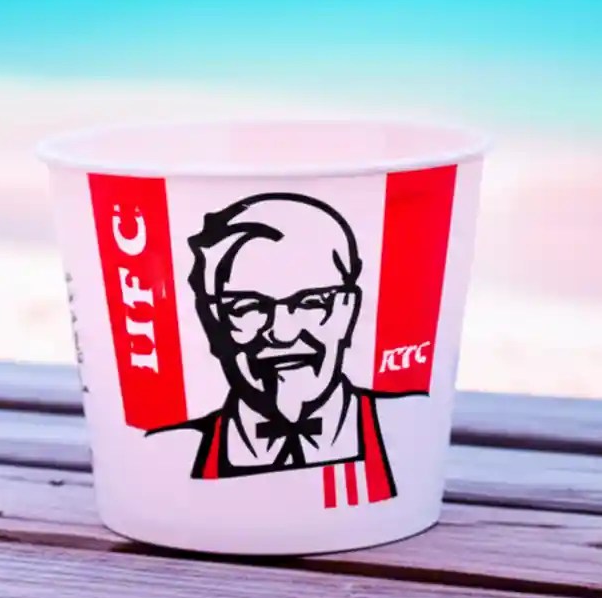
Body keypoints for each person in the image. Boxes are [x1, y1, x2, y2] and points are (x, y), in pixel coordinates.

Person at [152, 192, 415, 501]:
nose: (283, 333)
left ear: (348, 311)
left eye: (310, 302)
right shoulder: (168, 453)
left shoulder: (409, 425)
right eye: (247, 307)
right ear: (211, 323)